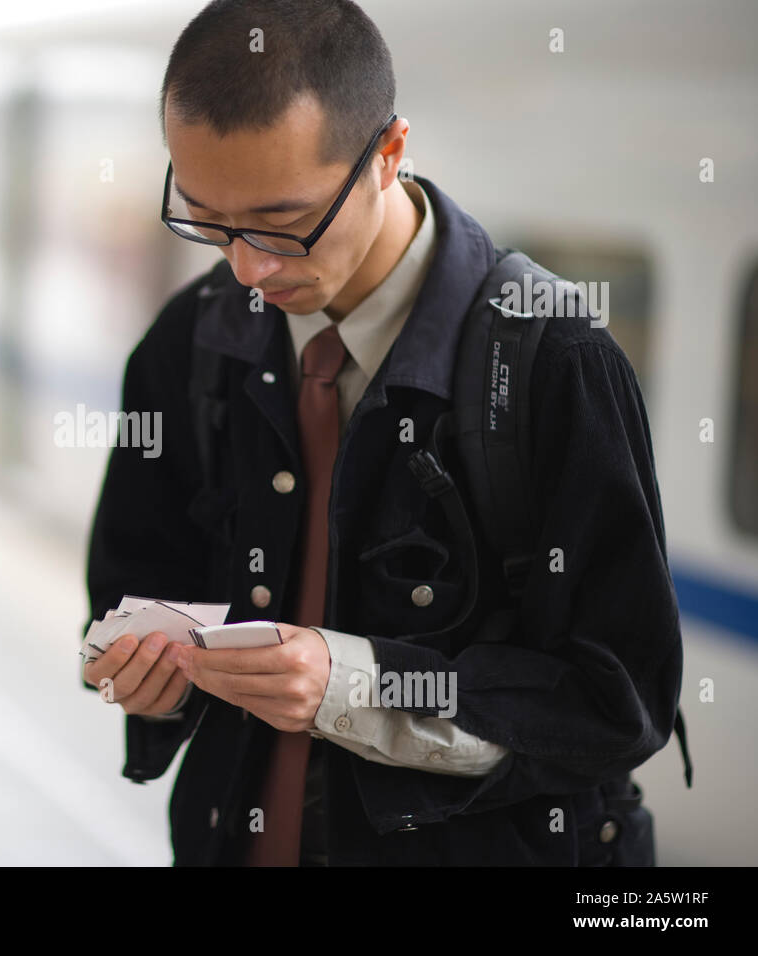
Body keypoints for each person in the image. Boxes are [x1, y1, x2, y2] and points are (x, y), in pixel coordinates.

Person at [82, 0, 683, 865]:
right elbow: (130, 578)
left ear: (389, 154)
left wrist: (354, 685)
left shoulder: (558, 363)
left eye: (284, 224)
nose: (248, 270)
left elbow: (618, 697)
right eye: (207, 220)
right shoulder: (190, 338)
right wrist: (143, 673)